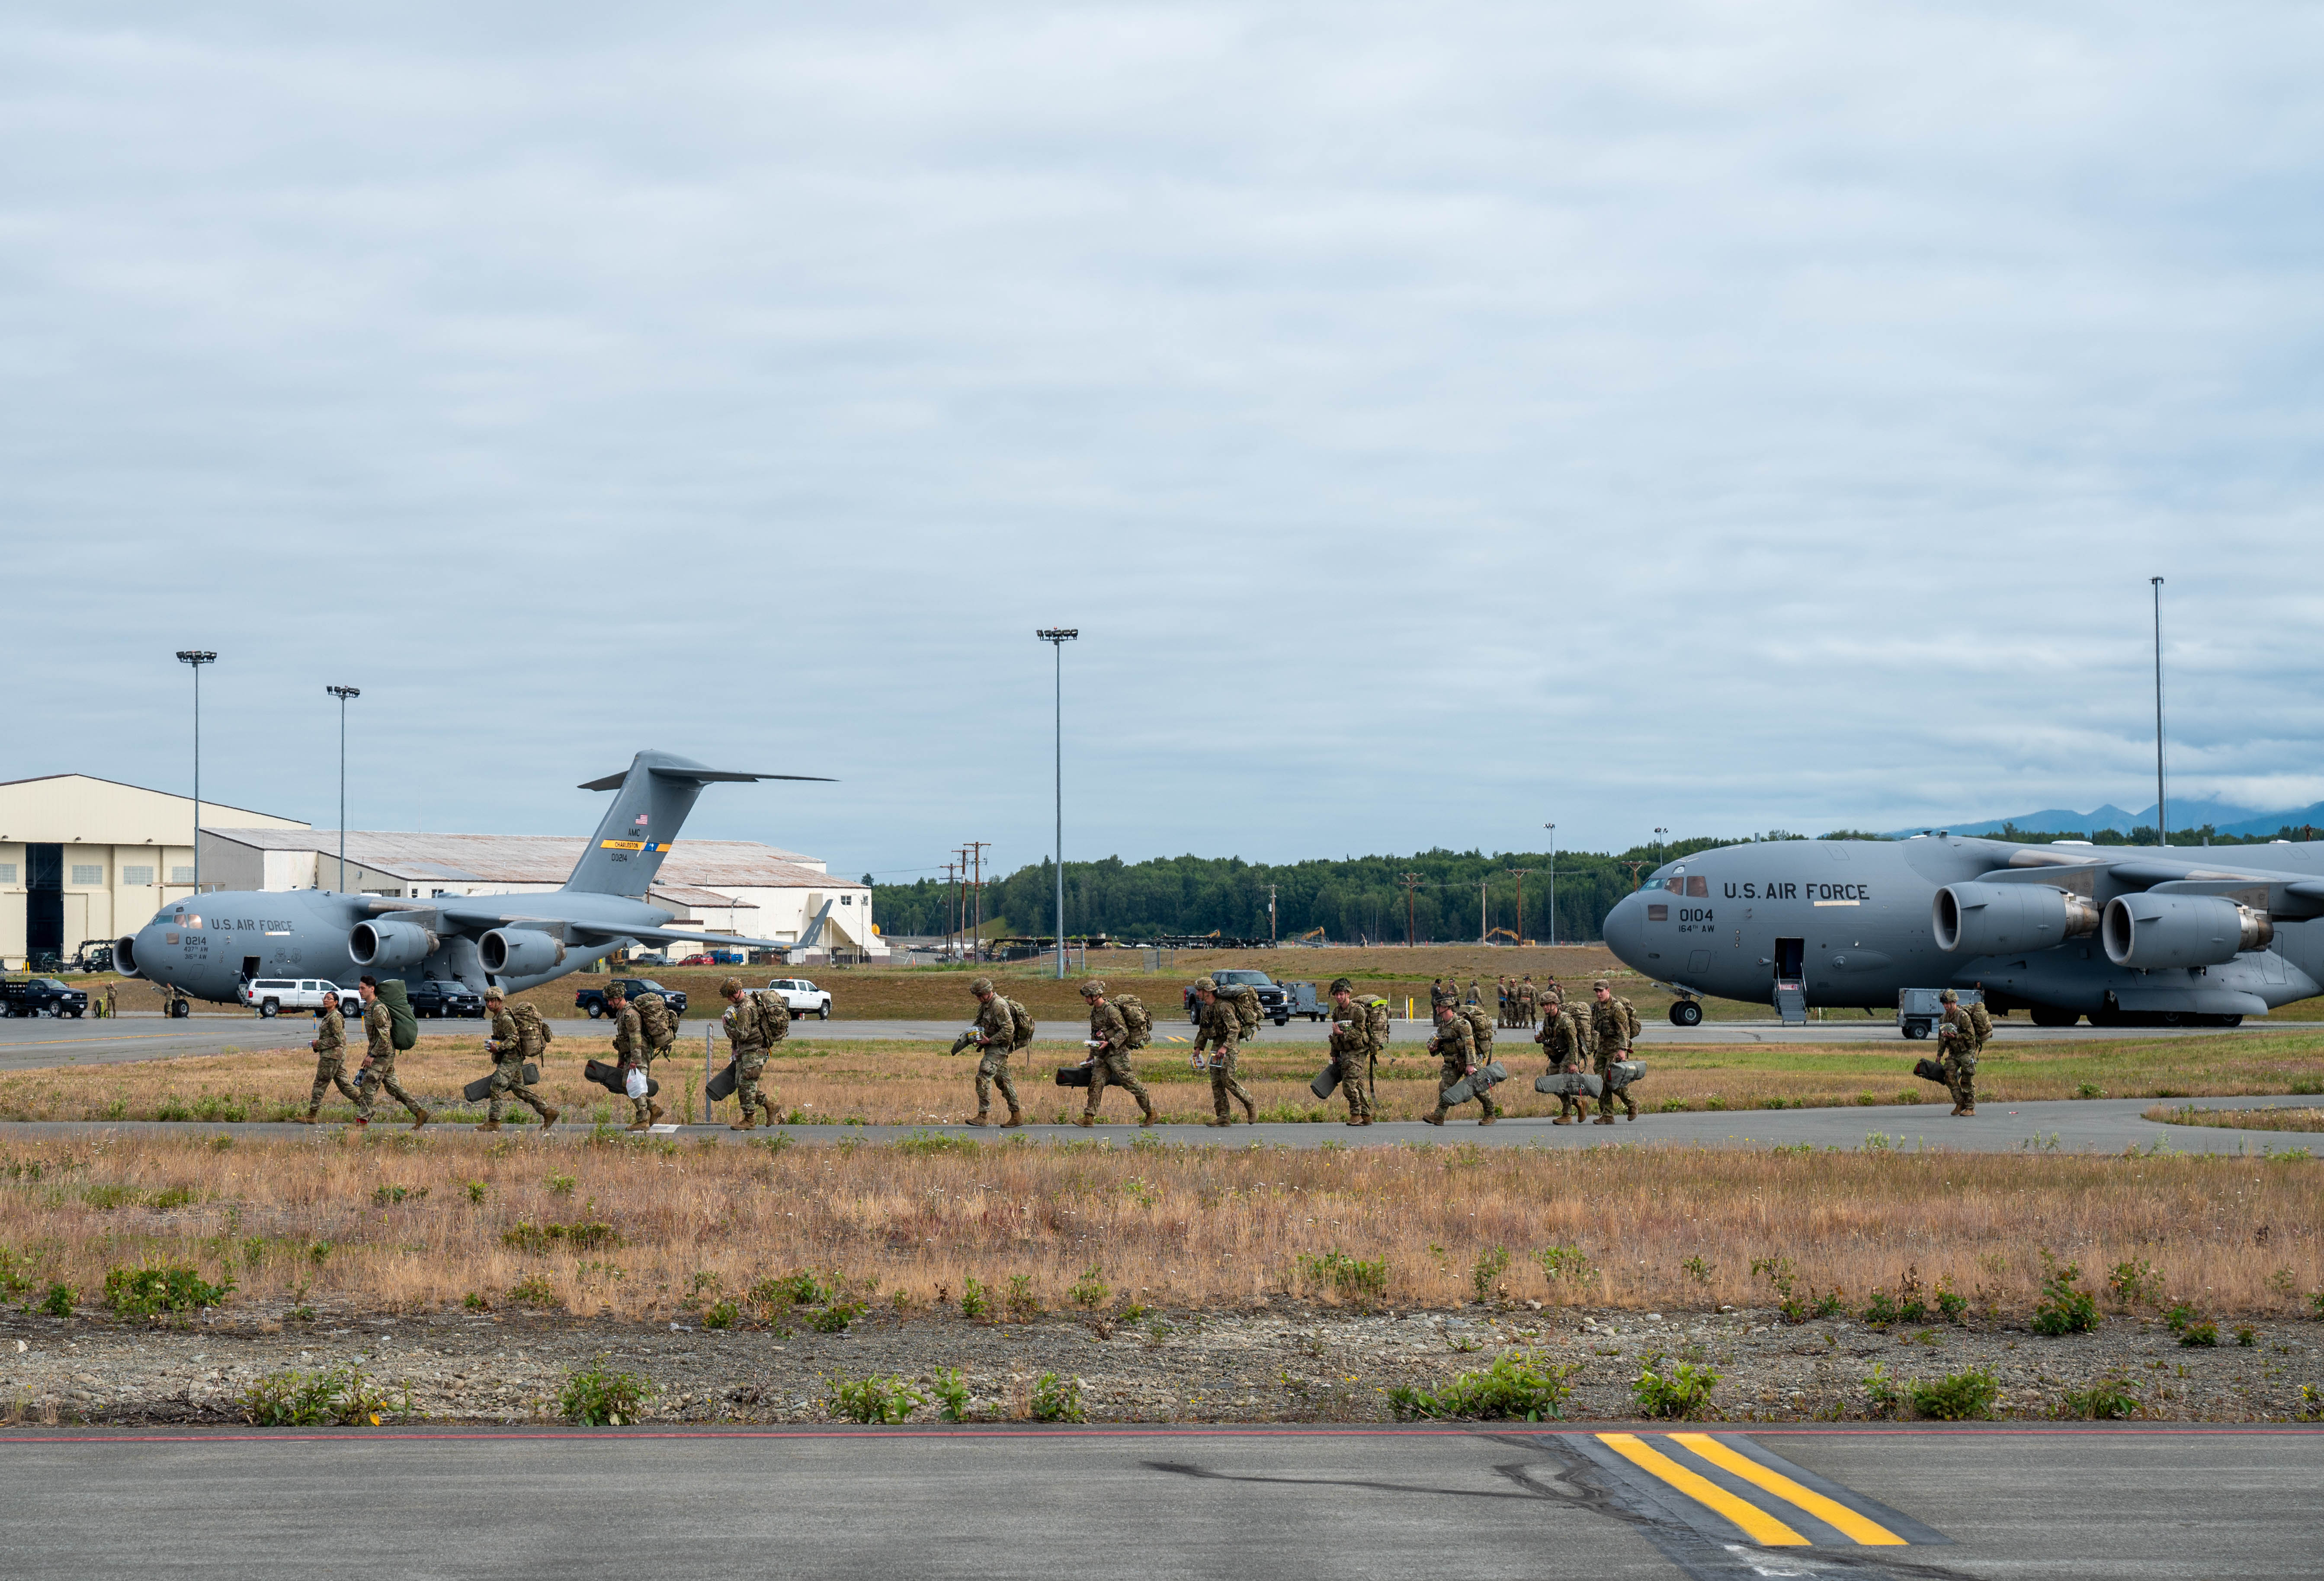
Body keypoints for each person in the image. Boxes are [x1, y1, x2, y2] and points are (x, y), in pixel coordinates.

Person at [352, 975, 429, 1130]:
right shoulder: (370, 1008)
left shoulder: (378, 1009)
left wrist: (372, 1055)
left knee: (368, 1084)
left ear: (372, 989)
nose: (360, 991)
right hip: (380, 1053)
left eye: (363, 988)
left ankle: (362, 1121)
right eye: (359, 988)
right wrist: (370, 1053)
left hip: (383, 1055)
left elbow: (385, 1036)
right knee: (393, 1087)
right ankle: (420, 1112)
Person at [478, 986, 557, 1132]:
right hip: (510, 1056)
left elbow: (513, 1039)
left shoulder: (505, 1018)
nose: (489, 1004)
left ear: (500, 1001)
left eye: (493, 1001)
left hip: (512, 1057)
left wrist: (498, 1048)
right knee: (519, 1089)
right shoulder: (498, 1016)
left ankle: (494, 1122)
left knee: (497, 1085)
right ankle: (548, 1112)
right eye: (487, 1001)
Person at [1076, 980, 1155, 1127]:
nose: (1086, 1000)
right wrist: (1091, 1055)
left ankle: (1151, 1113)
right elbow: (1095, 1034)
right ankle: (1088, 1118)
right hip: (1103, 1056)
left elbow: (1123, 1032)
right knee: (1096, 1083)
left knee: (1131, 1084)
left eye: (1087, 997)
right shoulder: (1095, 1012)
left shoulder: (1111, 1011)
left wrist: (1110, 1043)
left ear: (1096, 995)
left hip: (1119, 1055)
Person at [949, 977, 1022, 1128]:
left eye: (979, 995)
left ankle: (983, 1116)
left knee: (983, 1076)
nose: (977, 999)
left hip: (999, 1047)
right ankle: (1017, 1116)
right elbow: (978, 1023)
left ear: (987, 993)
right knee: (1003, 1081)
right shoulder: (985, 1005)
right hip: (991, 1046)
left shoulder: (999, 1005)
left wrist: (990, 1041)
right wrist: (970, 1037)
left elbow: (1009, 1031)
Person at [1189, 976, 1257, 1127]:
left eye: (1199, 991)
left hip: (1230, 1044)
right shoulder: (1206, 1008)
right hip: (1217, 1045)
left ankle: (1250, 1104)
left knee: (1227, 1078)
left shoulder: (1224, 1006)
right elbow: (1203, 1029)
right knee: (1216, 1081)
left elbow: (1234, 1029)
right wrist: (1198, 1048)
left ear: (1207, 992)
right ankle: (1223, 1116)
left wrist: (1225, 1047)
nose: (1197, 994)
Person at [718, 976, 785, 1130]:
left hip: (754, 1051)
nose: (728, 999)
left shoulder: (745, 1009)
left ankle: (750, 1119)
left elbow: (742, 1034)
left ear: (735, 993)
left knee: (746, 1084)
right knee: (741, 1084)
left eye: (729, 996)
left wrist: (726, 1027)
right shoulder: (745, 1004)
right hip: (747, 1050)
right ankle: (770, 1105)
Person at [1424, 1001, 1498, 1125]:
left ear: (1446, 1007)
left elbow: (1470, 1045)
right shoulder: (1443, 1025)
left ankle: (1490, 1114)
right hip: (1453, 1063)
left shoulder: (1461, 1024)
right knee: (1444, 1087)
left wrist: (1471, 1065)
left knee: (1478, 1089)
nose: (1436, 1008)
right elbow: (1444, 1046)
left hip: (1468, 1061)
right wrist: (1433, 1050)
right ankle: (1439, 1116)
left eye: (1439, 1006)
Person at [298, 989, 359, 1123]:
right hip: (333, 1056)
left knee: (320, 1084)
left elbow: (337, 1040)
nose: (326, 1000)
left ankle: (311, 1116)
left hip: (331, 1057)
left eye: (329, 999)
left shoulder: (335, 1017)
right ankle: (366, 1107)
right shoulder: (329, 1016)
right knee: (344, 1085)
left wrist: (318, 1044)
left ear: (336, 1003)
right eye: (324, 998)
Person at [1589, 978, 1641, 1124]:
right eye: (1597, 991)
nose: (1599, 994)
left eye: (1601, 991)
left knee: (1612, 1081)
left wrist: (1622, 1050)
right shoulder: (1596, 1007)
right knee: (1599, 1082)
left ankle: (1632, 1103)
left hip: (1615, 1049)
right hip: (1601, 1049)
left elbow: (1624, 1030)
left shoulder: (1617, 1008)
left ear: (1608, 991)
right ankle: (1607, 1115)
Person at [1325, 976, 1373, 1126]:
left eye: (1342, 994)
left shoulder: (1358, 1011)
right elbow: (1335, 1033)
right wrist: (1334, 1054)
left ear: (1348, 994)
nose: (1339, 997)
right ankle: (1366, 1116)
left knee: (1348, 1085)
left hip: (1358, 1051)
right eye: (1337, 995)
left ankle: (1355, 1114)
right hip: (1345, 1052)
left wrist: (1342, 1034)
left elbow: (1359, 1032)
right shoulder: (1336, 1012)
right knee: (1358, 1084)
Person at [1535, 986, 1586, 1124]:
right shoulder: (1548, 1020)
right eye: (1543, 1005)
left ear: (1555, 1004)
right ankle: (1578, 1102)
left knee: (1563, 1081)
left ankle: (1567, 1115)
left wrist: (1573, 1063)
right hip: (1559, 1054)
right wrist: (1539, 1038)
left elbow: (1573, 1043)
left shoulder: (1565, 1020)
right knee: (1552, 1082)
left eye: (1547, 1004)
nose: (1545, 1007)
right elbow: (1548, 1035)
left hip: (1571, 1053)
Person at [630, 986, 675, 1130]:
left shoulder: (631, 1014)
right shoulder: (636, 1013)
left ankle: (643, 1120)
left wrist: (635, 1060)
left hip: (640, 1053)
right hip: (644, 1051)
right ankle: (654, 1108)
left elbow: (635, 1036)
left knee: (637, 1085)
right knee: (632, 1085)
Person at [1938, 988, 1978, 1116]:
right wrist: (1939, 1055)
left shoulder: (1963, 1016)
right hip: (1954, 1053)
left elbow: (1971, 1036)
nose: (1945, 1006)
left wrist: (1956, 1036)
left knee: (1966, 1079)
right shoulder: (1944, 1018)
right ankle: (1960, 1103)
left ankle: (1971, 1108)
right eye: (1944, 1004)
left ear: (1954, 1002)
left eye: (1947, 1003)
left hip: (1967, 1052)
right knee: (1948, 1076)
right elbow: (1941, 1039)